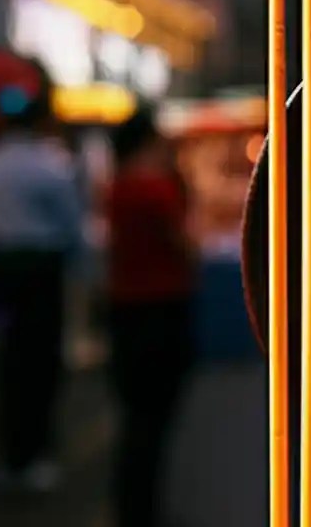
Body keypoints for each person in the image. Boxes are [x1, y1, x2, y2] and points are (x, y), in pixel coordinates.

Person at [0, 83, 82, 491]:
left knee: (9, 366)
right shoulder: (49, 163)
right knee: (40, 364)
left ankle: (10, 455)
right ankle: (36, 453)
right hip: (41, 272)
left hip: (2, 269)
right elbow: (72, 222)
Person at [106, 108, 195, 527]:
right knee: (153, 420)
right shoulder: (156, 190)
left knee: (135, 417)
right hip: (160, 308)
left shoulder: (116, 186)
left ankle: (133, 507)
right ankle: (142, 511)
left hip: (125, 306)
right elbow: (185, 244)